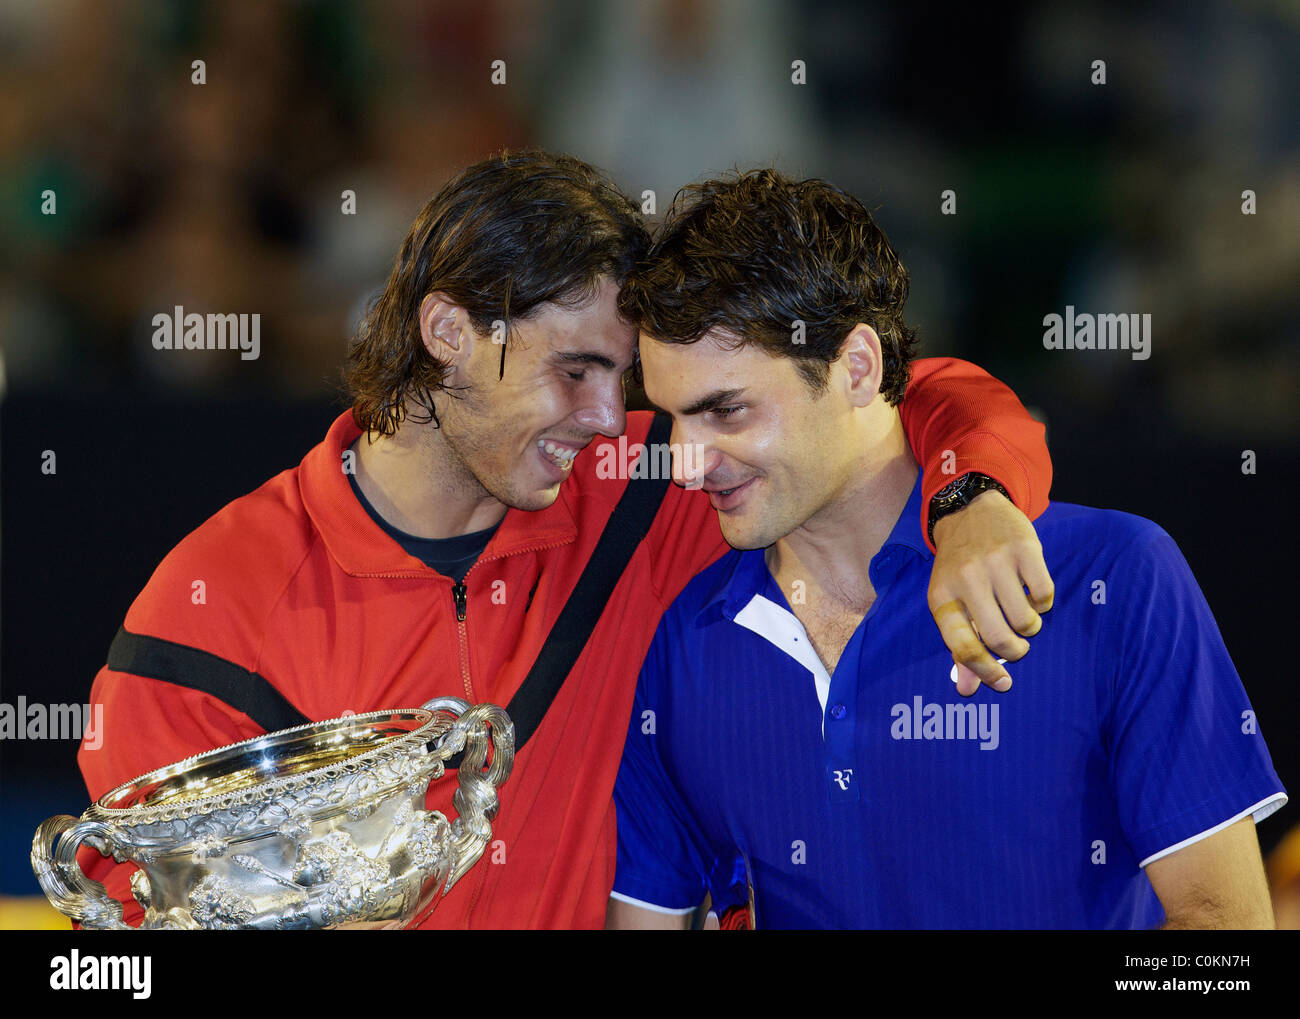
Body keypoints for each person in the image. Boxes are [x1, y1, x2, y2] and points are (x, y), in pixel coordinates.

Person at [76, 151, 1056, 929]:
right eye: (575, 370)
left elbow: (903, 394)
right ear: (448, 331)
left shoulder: (648, 488)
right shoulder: (203, 620)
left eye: (620, 380)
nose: (604, 419)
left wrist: (968, 496)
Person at [607, 170, 1287, 930]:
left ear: (857, 368)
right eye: (671, 419)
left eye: (726, 410)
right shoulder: (684, 645)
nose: (688, 462)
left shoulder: (1116, 575)